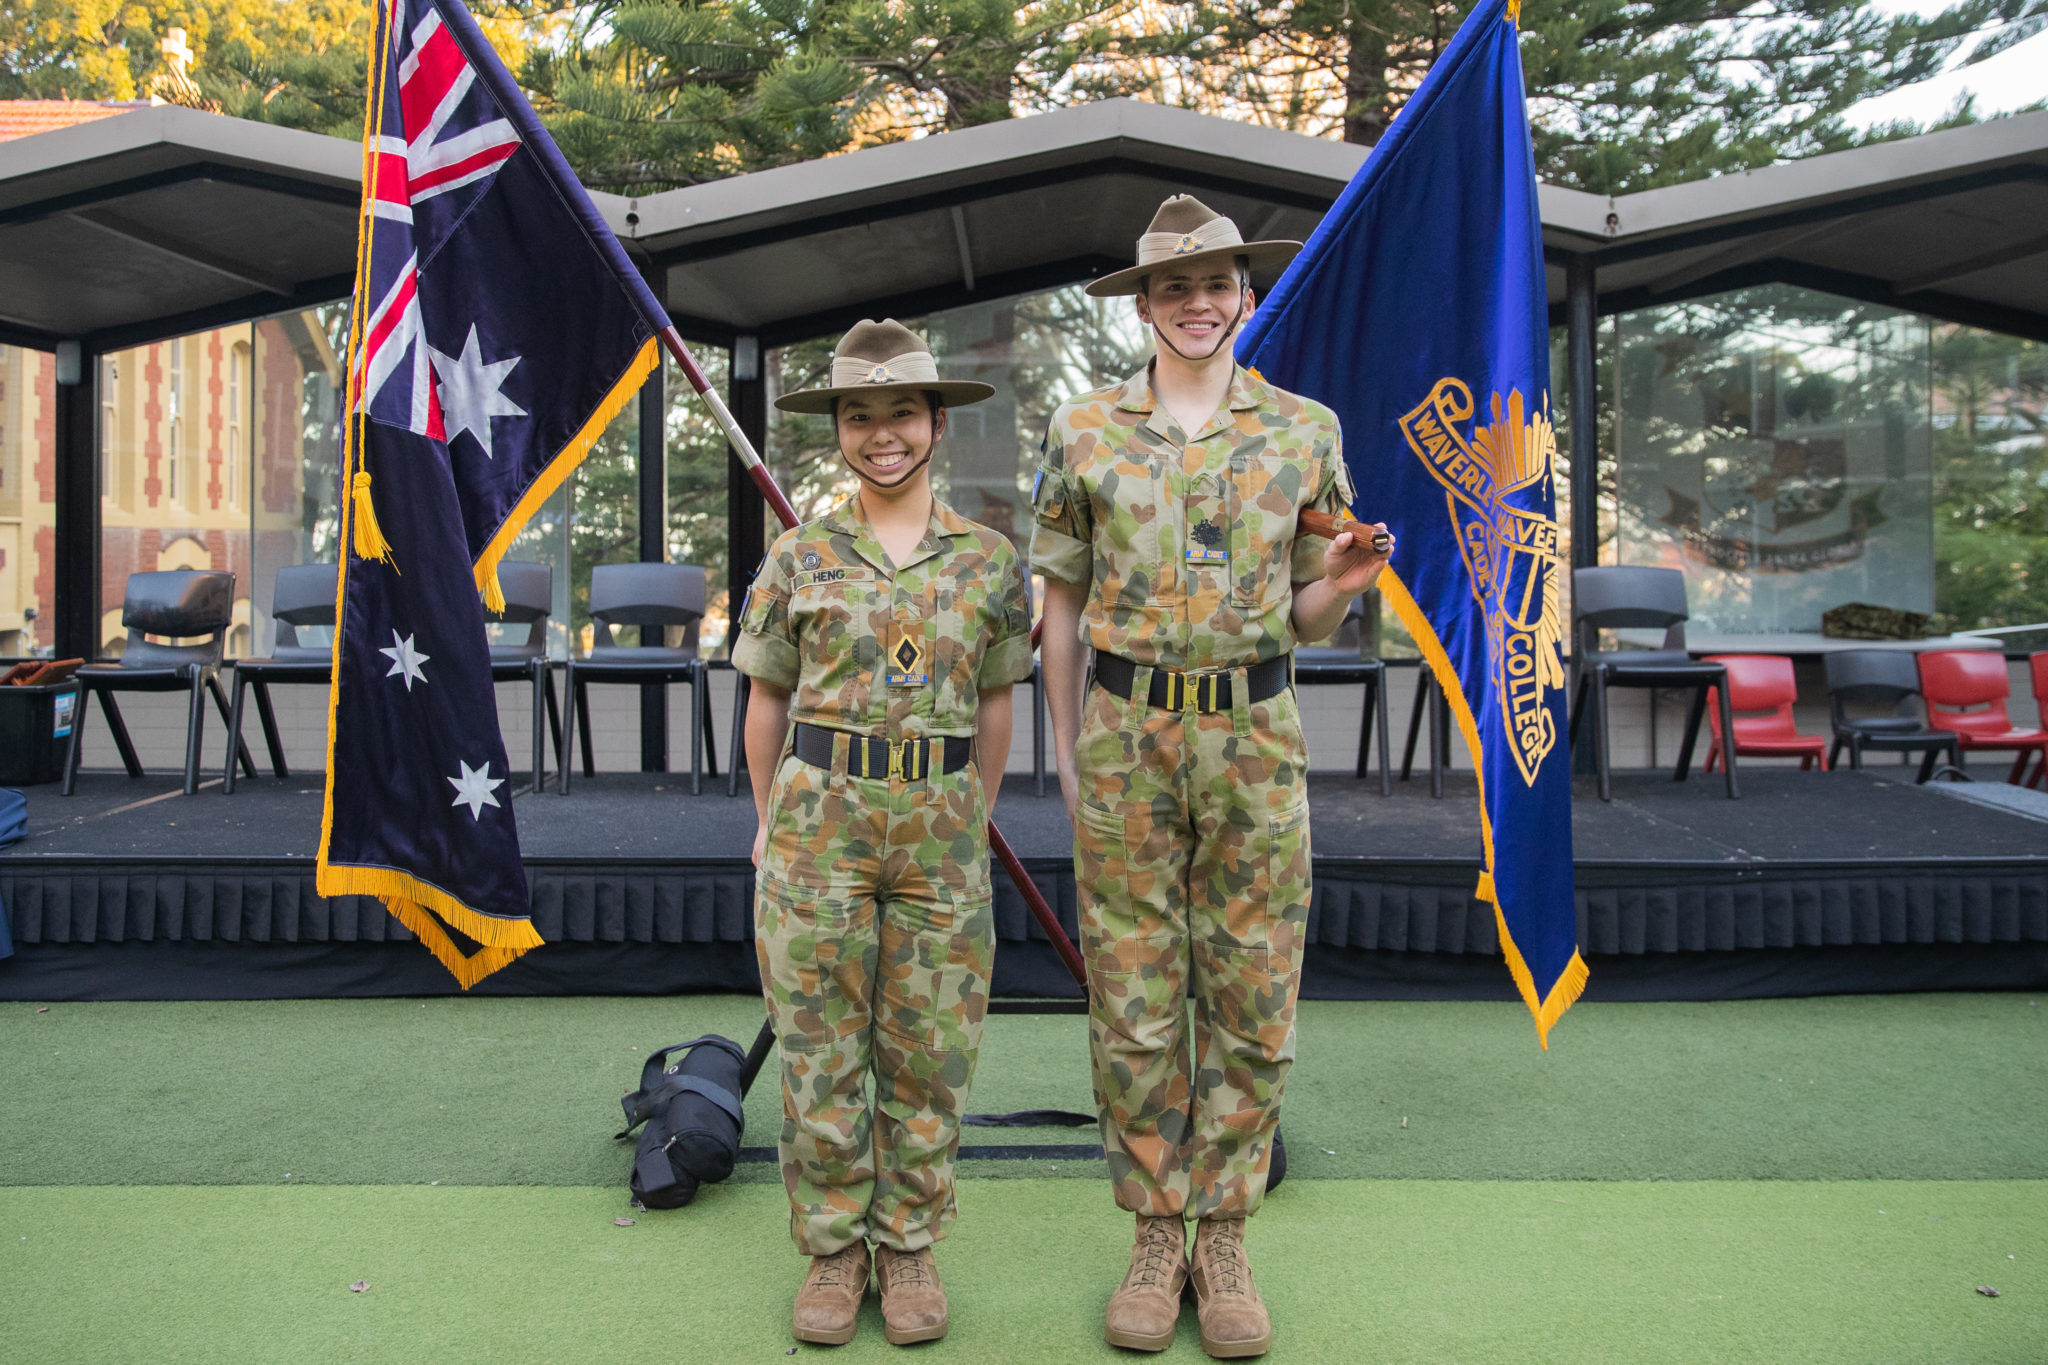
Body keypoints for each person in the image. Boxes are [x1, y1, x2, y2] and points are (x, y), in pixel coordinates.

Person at [1030, 196, 1392, 1359]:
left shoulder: (1301, 431)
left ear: (1243, 296)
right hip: (1126, 736)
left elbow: (1306, 612)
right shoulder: (1082, 429)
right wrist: (1065, 754)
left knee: (1249, 996)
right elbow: (1061, 608)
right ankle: (1152, 1233)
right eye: (1173, 288)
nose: (1197, 303)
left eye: (1217, 284)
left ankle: (1222, 1235)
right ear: (1142, 305)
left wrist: (1343, 580)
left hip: (1252, 737)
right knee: (1133, 1003)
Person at [734, 318, 1034, 1348]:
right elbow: (766, 704)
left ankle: (905, 1241)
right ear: (839, 435)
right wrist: (772, 825)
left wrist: (972, 811)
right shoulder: (798, 556)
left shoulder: (989, 560)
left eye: (899, 412)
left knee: (927, 1051)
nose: (880, 434)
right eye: (858, 418)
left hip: (941, 827)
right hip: (821, 822)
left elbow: (997, 706)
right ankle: (831, 1248)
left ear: (935, 421)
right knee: (819, 1048)